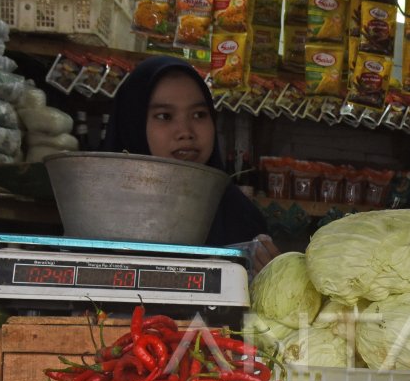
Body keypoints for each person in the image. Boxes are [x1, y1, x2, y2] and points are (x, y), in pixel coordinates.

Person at [103, 55, 279, 271]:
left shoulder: (240, 217)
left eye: (199, 114)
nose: (186, 132)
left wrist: (268, 275)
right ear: (133, 124)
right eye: (165, 116)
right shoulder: (97, 213)